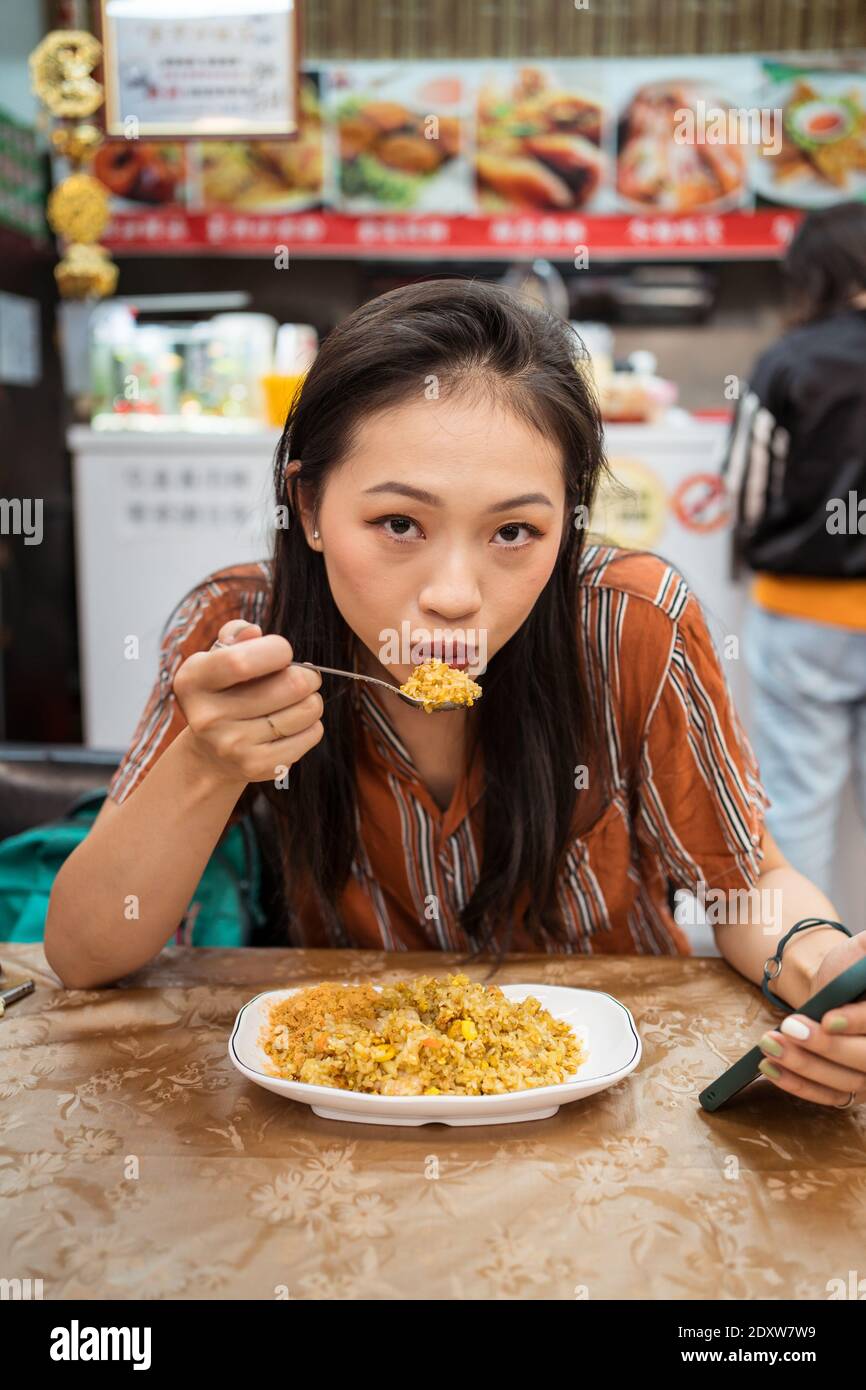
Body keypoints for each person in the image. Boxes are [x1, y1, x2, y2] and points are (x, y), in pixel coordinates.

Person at [46, 278, 866, 1110]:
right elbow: (84, 955)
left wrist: (825, 970)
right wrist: (205, 765)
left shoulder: (632, 626)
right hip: (340, 1097)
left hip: (604, 1102)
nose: (454, 594)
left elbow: (747, 881)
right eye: (400, 524)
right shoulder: (239, 631)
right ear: (309, 505)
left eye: (514, 532)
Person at [721, 201, 866, 897]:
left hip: (804, 611)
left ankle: (814, 968)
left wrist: (751, 548)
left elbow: (746, 488)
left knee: (798, 799)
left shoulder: (788, 359)